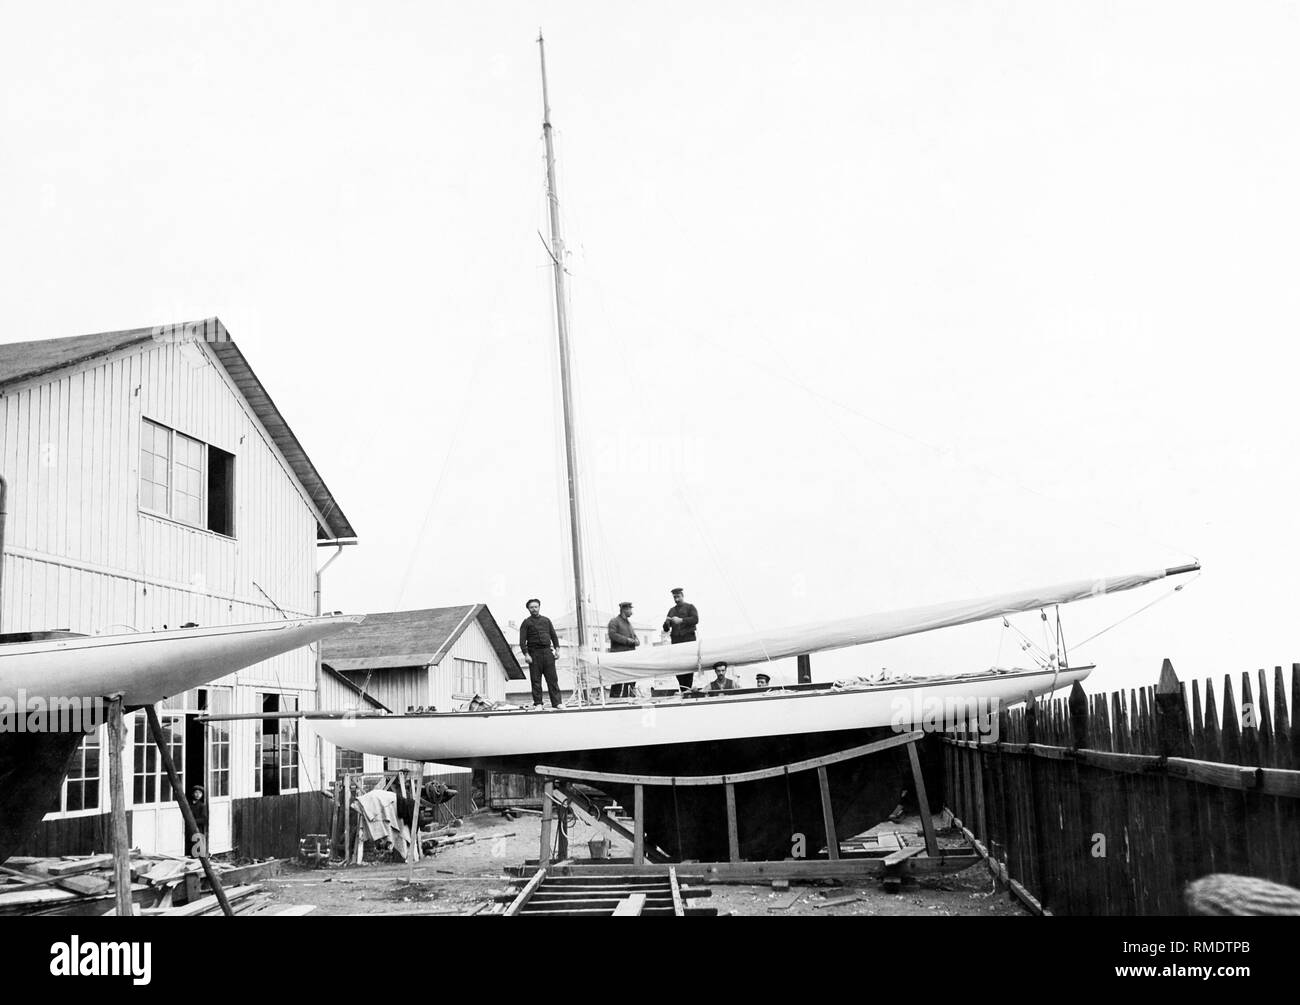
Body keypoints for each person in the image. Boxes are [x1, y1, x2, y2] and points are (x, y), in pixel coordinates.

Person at [519, 598, 563, 709]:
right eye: (531, 607)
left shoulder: (546, 620)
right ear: (528, 609)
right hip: (534, 654)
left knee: (552, 679)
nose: (534, 609)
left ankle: (557, 703)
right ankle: (538, 703)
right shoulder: (526, 623)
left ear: (539, 607)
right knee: (536, 681)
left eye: (536, 607)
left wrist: (557, 650)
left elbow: (553, 636)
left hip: (548, 653)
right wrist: (526, 654)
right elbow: (522, 641)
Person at [662, 587, 699, 691]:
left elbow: (695, 619)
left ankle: (687, 689)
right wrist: (666, 623)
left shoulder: (690, 607)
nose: (676, 599)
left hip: (688, 641)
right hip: (676, 642)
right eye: (674, 597)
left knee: (688, 666)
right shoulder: (671, 610)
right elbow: (666, 629)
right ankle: (683, 689)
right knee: (678, 666)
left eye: (678, 597)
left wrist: (681, 620)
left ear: (682, 596)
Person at [607, 602, 639, 699]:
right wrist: (627, 640)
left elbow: (634, 636)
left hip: (630, 656)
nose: (631, 612)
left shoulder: (629, 624)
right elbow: (612, 635)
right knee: (618, 679)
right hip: (619, 656)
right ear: (624, 610)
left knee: (631, 679)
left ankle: (629, 696)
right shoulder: (614, 622)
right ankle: (615, 698)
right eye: (630, 609)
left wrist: (636, 640)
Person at [185, 784, 209, 859]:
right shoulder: (188, 804)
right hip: (188, 828)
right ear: (192, 793)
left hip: (198, 828)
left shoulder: (202, 806)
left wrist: (193, 821)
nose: (198, 795)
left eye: (200, 793)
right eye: (196, 792)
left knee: (196, 844)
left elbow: (204, 819)